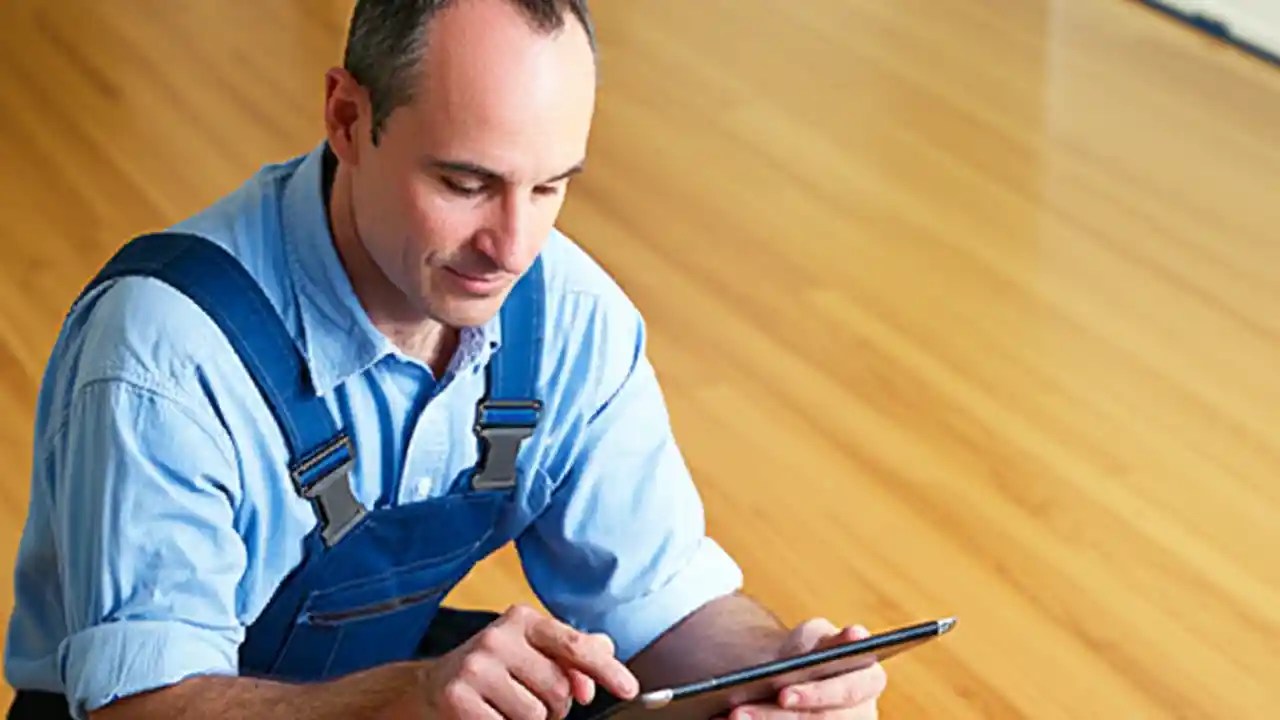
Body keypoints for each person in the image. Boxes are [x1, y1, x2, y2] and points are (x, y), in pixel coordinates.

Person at [3, 1, 888, 718]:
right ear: (347, 119)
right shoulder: (166, 356)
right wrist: (409, 701)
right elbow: (144, 708)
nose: (512, 246)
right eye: (466, 184)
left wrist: (780, 674)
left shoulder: (570, 317)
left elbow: (661, 600)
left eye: (550, 187)